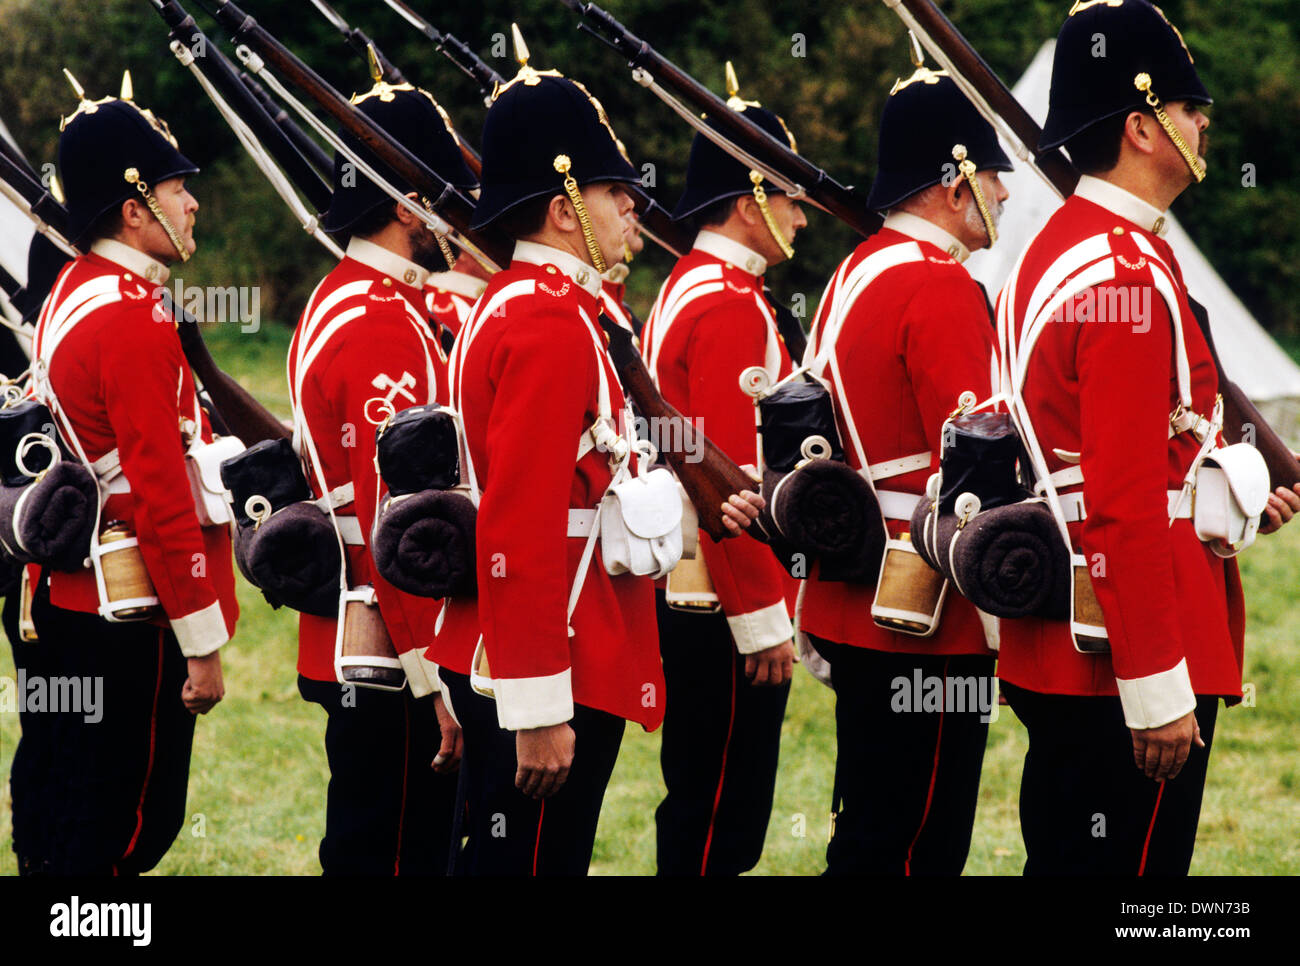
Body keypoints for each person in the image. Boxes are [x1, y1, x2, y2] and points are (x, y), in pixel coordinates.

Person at [431, 35, 760, 876]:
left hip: (547, 647)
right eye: (616, 195)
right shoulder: (544, 321)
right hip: (554, 658)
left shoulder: (541, 307)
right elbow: (523, 518)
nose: (632, 213)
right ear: (561, 204)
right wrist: (538, 703)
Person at [996, 0, 1300, 875]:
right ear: (1141, 125)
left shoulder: (1069, 249)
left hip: (1081, 638)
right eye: (1188, 106)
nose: (1204, 121)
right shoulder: (1123, 269)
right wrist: (1157, 687)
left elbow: (1150, 457)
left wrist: (1232, 499)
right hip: (1127, 654)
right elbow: (1122, 492)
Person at [22, 74, 235, 875]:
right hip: (134, 611)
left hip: (71, 596)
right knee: (125, 829)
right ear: (135, 205)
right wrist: (202, 641)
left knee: (66, 815)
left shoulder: (75, 291)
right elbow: (160, 492)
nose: (193, 206)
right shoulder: (134, 314)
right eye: (180, 189)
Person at [800, 65, 1010, 875]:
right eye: (992, 174)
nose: (1003, 192)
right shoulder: (941, 283)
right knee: (918, 840)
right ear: (955, 184)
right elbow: (981, 462)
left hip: (857, 593)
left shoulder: (856, 270)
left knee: (870, 828)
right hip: (926, 610)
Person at [288, 75, 471, 875]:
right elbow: (393, 522)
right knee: (396, 854)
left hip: (366, 636)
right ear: (406, 205)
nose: (456, 217)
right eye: (441, 198)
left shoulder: (354, 299)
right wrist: (435, 678)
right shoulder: (380, 325)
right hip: (391, 649)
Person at [639, 66, 803, 876]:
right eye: (790, 194)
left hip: (698, 587)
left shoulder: (692, 285)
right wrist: (763, 614)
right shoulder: (731, 303)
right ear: (751, 201)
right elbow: (729, 478)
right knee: (720, 819)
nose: (802, 212)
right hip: (721, 591)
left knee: (702, 798)